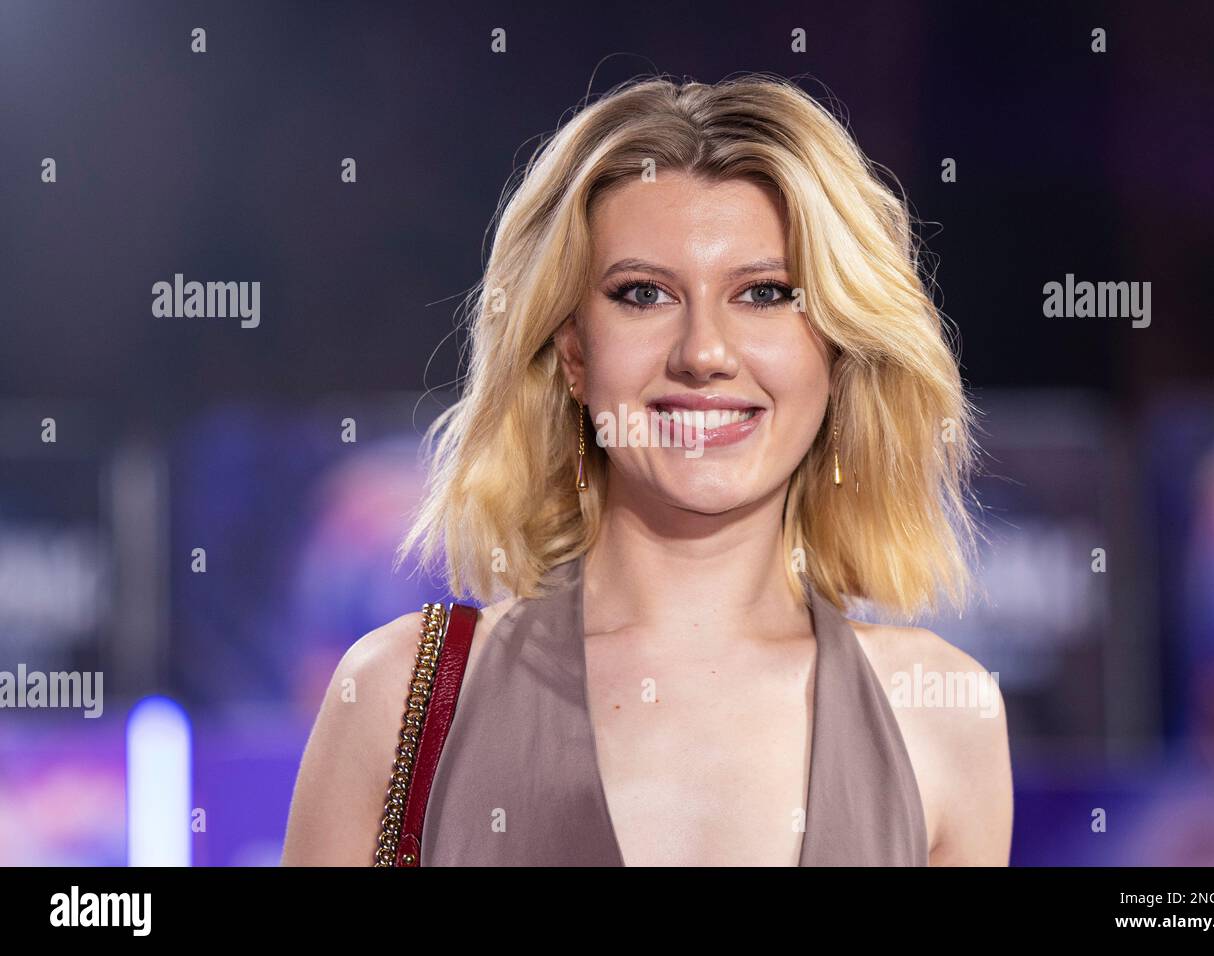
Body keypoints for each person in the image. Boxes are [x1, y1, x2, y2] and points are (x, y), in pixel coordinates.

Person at [282, 73, 1013, 866]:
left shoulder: (941, 717)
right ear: (571, 354)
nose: (703, 352)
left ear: (837, 353)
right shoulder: (399, 698)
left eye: (765, 293)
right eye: (643, 293)